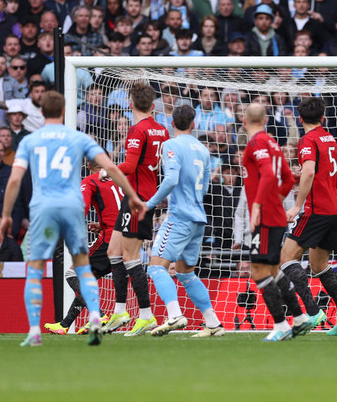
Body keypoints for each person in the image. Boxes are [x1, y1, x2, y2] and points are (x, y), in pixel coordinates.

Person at [1, 91, 145, 347]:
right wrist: (132, 195)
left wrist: (5, 214)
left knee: (34, 268)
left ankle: (34, 331)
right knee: (81, 266)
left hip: (43, 207)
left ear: (42, 112)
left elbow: (14, 180)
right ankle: (94, 320)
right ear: (65, 110)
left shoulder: (29, 141)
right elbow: (111, 168)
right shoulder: (79, 138)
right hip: (71, 205)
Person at [144, 105, 225, 337]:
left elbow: (170, 179)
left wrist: (149, 204)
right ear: (193, 123)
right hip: (199, 219)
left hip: (179, 217)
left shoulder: (170, 145)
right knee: (186, 273)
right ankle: (213, 323)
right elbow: (206, 187)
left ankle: (174, 315)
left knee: (156, 268)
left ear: (172, 122)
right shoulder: (202, 149)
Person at [282, 96, 337, 336]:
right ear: (322, 117)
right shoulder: (330, 138)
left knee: (285, 259)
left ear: (299, 118)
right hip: (336, 209)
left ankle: (313, 312)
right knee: (319, 265)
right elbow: (319, 171)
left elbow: (311, 172)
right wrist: (298, 175)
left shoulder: (307, 139)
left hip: (317, 210)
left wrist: (296, 206)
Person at [103, 83, 170, 336]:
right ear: (153, 106)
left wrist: (106, 171)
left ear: (130, 105)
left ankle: (146, 314)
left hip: (137, 199)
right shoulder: (162, 130)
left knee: (131, 256)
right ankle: (121, 310)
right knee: (113, 251)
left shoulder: (137, 130)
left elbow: (129, 166)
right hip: (140, 195)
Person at [242, 102, 311, 342]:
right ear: (265, 121)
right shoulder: (272, 143)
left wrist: (259, 206)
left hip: (265, 218)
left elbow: (270, 175)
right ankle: (300, 317)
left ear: (244, 121)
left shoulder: (256, 143)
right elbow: (289, 178)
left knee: (258, 270)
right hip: (274, 215)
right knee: (272, 269)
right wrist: (276, 200)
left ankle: (281, 325)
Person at [44, 160, 122, 336]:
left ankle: (99, 316)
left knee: (72, 273)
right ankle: (65, 324)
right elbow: (118, 210)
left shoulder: (90, 180)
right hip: (128, 237)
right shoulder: (119, 179)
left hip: (110, 239)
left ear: (88, 166)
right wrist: (102, 225)